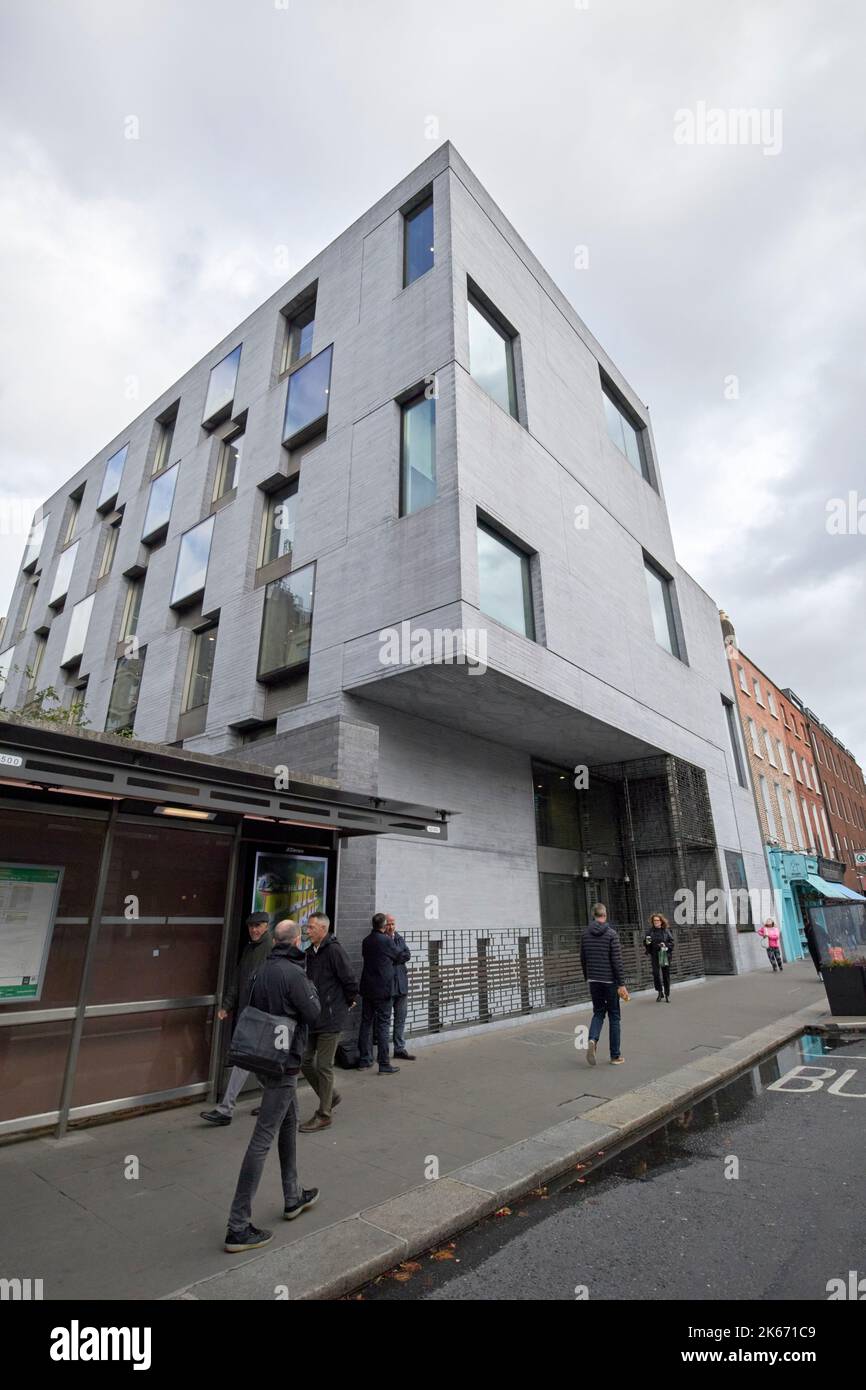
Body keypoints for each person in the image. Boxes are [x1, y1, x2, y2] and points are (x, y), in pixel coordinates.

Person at [224, 919, 321, 1253]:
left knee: (290, 1120)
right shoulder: (293, 974)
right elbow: (313, 1012)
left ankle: (293, 1196)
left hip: (262, 1058)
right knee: (263, 1138)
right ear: (294, 941)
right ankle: (238, 1226)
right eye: (301, 938)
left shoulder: (261, 968)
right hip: (284, 1063)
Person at [201, 911, 273, 1126]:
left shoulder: (270, 949)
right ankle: (276, 1101)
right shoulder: (250, 948)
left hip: (259, 1016)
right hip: (250, 1014)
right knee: (262, 1066)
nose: (254, 929)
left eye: (258, 925)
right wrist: (227, 1004)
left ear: (267, 926)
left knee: (243, 1059)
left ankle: (226, 1109)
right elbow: (238, 978)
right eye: (251, 926)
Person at [299, 913, 359, 1131]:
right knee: (305, 1061)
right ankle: (330, 1096)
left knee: (324, 1066)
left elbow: (349, 979)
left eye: (312, 927)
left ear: (323, 929)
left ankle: (324, 1114)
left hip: (331, 1017)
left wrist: (349, 1000)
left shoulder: (334, 951)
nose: (308, 931)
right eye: (307, 927)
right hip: (313, 1016)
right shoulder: (310, 953)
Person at [580, 902, 628, 1065]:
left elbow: (583, 958)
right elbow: (617, 961)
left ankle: (592, 1039)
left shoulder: (585, 934)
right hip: (609, 981)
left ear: (593, 915)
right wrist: (621, 984)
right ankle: (615, 1056)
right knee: (614, 1016)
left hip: (594, 980)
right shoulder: (611, 934)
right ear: (605, 915)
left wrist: (588, 976)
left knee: (598, 1012)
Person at [358, 912, 403, 1074]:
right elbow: (402, 956)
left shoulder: (366, 941)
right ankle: (384, 1063)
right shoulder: (386, 940)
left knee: (366, 1023)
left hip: (367, 988)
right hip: (383, 989)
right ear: (384, 926)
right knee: (383, 1025)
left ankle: (364, 1060)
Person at [385, 913, 415, 1061]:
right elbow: (391, 957)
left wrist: (397, 957)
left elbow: (407, 955)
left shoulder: (398, 937)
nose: (391, 927)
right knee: (384, 1020)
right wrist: (399, 956)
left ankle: (399, 1049)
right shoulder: (383, 940)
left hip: (402, 984)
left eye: (392, 924)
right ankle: (383, 1052)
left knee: (400, 1018)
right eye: (388, 924)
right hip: (388, 986)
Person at [644, 912, 675, 1001]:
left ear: (661, 921)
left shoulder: (666, 931)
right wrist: (647, 942)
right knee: (656, 974)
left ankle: (667, 994)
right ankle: (659, 992)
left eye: (658, 920)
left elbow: (672, 943)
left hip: (664, 954)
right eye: (654, 920)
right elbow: (646, 943)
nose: (656, 922)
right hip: (654, 954)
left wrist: (665, 945)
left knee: (665, 975)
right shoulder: (650, 931)